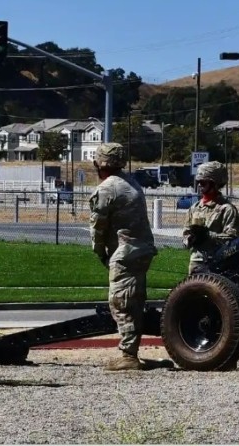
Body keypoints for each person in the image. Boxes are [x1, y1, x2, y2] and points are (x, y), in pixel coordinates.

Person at [88, 142, 158, 371]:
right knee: (134, 300)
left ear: (99, 164)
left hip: (124, 252)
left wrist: (100, 252)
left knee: (121, 302)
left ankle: (128, 355)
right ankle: (131, 350)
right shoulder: (132, 183)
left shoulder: (107, 188)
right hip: (142, 249)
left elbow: (98, 227)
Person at [181, 161, 239, 275]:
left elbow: (232, 238)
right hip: (196, 263)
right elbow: (185, 236)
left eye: (203, 182)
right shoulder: (194, 208)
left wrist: (208, 236)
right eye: (198, 182)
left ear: (215, 184)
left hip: (218, 263)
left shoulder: (227, 209)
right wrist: (190, 239)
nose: (199, 185)